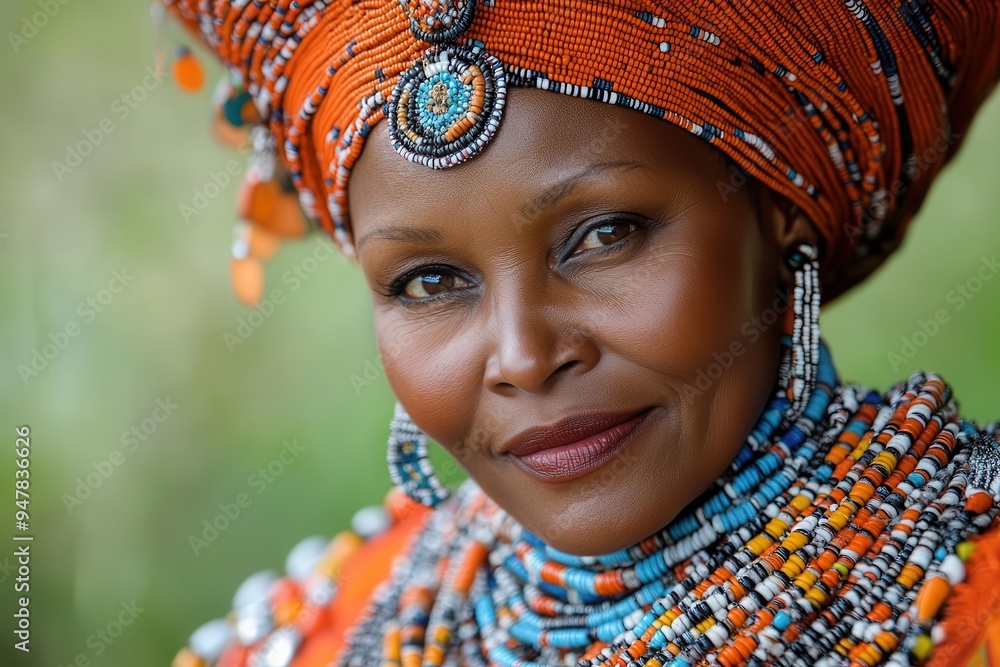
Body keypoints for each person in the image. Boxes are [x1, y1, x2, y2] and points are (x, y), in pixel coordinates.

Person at [158, 1, 1000, 665]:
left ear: (775, 204)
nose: (524, 357)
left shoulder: (975, 602)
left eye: (605, 236)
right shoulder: (312, 634)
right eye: (431, 282)